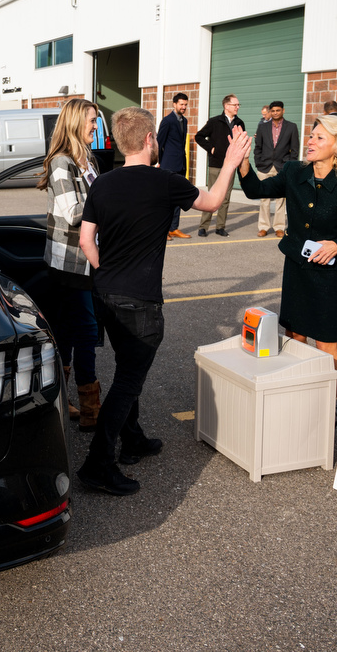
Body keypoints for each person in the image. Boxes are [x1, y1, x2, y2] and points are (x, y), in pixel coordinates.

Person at [77, 106, 253, 495]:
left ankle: (133, 438)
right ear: (148, 140)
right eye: (155, 136)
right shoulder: (165, 182)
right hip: (139, 301)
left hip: (104, 293)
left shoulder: (102, 184)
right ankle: (98, 464)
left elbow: (86, 240)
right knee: (127, 381)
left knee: (126, 367)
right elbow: (212, 201)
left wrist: (108, 273)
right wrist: (230, 162)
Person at [237, 115, 337, 390]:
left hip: (330, 276)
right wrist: (242, 160)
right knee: (294, 336)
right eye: (311, 136)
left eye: (319, 137)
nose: (310, 141)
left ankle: (327, 408)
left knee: (326, 343)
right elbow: (255, 190)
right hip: (297, 269)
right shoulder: (293, 172)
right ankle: (298, 395)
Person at [37, 98, 103, 431]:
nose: (96, 126)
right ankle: (91, 411)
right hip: (70, 264)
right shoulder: (63, 163)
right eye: (92, 120)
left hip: (87, 260)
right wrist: (109, 199)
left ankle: (62, 402)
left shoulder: (87, 159)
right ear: (77, 122)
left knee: (67, 332)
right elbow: (73, 212)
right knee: (88, 332)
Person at [193, 94, 246, 237]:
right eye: (235, 105)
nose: (237, 107)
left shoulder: (239, 123)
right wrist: (212, 149)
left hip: (231, 165)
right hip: (216, 164)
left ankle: (220, 226)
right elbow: (198, 136)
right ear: (226, 106)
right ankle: (203, 226)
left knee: (226, 197)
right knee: (210, 195)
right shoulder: (214, 121)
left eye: (238, 105)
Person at [252, 100, 300, 238]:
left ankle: (279, 227)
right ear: (269, 112)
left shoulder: (291, 127)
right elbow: (258, 147)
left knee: (281, 199)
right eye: (272, 111)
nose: (275, 113)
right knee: (264, 199)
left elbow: (294, 150)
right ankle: (263, 227)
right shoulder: (262, 127)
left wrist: (289, 166)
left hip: (282, 167)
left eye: (278, 110)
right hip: (264, 167)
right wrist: (258, 162)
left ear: (283, 111)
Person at [157, 93, 191, 239]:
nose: (183, 107)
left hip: (180, 165)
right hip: (168, 165)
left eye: (185, 105)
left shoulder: (185, 121)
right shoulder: (167, 121)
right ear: (174, 104)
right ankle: (163, 230)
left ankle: (173, 228)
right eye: (181, 104)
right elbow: (159, 143)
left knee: (177, 198)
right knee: (166, 200)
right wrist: (157, 162)